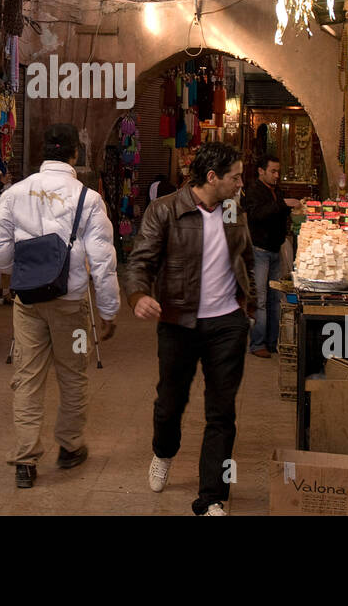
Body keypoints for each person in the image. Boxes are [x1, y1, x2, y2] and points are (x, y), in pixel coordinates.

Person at [0, 123, 119, 489]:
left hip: (27, 303)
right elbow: (103, 261)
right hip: (70, 304)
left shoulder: (15, 193)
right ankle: (70, 446)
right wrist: (108, 310)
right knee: (72, 375)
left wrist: (21, 272)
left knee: (27, 378)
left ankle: (25, 461)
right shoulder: (88, 199)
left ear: (44, 151)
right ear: (75, 153)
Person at [124, 141, 255, 516]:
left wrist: (250, 308)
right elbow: (141, 261)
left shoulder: (233, 210)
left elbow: (245, 257)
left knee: (221, 411)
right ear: (211, 177)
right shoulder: (165, 210)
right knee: (170, 403)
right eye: (235, 177)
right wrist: (137, 297)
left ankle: (211, 497)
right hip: (178, 322)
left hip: (227, 323)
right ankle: (163, 452)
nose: (240, 184)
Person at [242, 154, 301, 357]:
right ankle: (258, 344)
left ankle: (273, 340)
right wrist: (284, 204)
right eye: (273, 171)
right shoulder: (254, 190)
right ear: (261, 171)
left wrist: (291, 207)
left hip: (275, 249)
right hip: (260, 251)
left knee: (275, 298)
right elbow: (258, 215)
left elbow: (277, 212)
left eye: (278, 171)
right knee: (260, 299)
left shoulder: (276, 190)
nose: (277, 175)